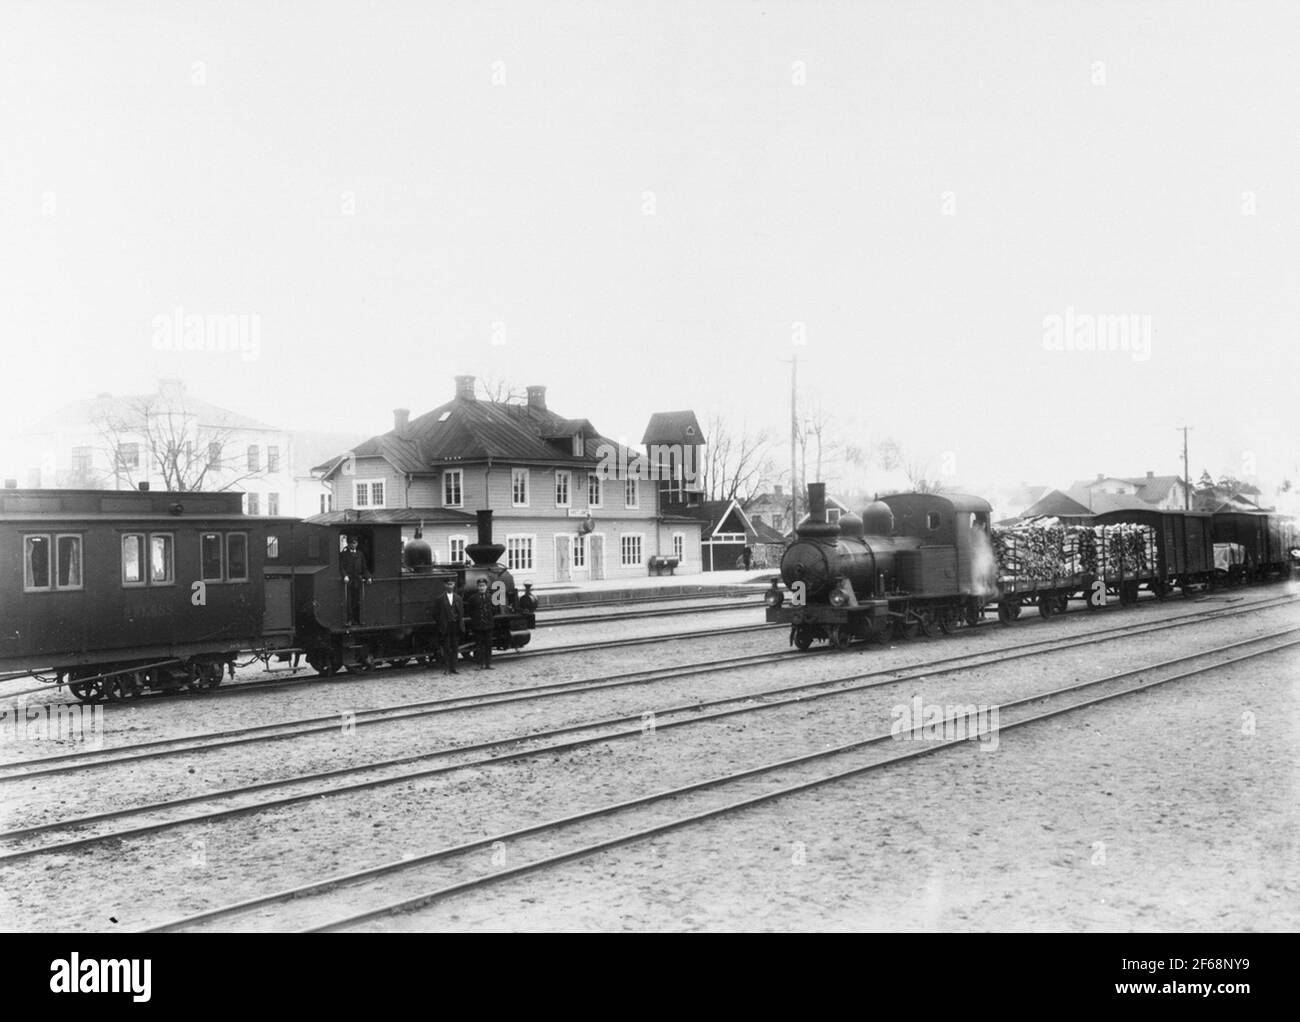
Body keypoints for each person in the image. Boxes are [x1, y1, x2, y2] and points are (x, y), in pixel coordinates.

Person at [431, 577, 464, 674]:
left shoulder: (458, 598)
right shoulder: (440, 599)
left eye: (451, 584)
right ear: (444, 585)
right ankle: (446, 668)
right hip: (445, 626)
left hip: (455, 625)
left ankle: (454, 668)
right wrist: (441, 623)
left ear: (454, 585)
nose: (450, 586)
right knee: (446, 647)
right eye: (448, 584)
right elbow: (435, 613)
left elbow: (461, 612)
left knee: (455, 647)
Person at [339, 534, 371, 625]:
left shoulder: (360, 554)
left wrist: (368, 577)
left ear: (357, 544)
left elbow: (364, 567)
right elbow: (341, 567)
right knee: (348, 601)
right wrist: (345, 575)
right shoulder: (344, 554)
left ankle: (358, 619)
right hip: (349, 580)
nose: (353, 545)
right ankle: (349, 620)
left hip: (358, 580)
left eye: (355, 543)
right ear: (348, 544)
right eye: (351, 543)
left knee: (358, 600)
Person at [465, 577, 496, 670]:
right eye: (480, 586)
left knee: (488, 645)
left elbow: (494, 610)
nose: (481, 588)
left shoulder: (490, 597)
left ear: (486, 587)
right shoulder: (472, 598)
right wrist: (476, 620)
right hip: (478, 626)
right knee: (479, 646)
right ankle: (480, 664)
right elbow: (469, 611)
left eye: (483, 586)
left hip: (488, 625)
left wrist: (489, 620)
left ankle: (488, 664)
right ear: (477, 587)